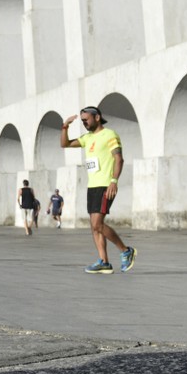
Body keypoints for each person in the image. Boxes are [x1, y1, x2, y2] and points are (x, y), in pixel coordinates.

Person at [62, 105, 137, 274]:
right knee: (94, 226)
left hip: (105, 185)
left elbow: (119, 159)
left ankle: (126, 251)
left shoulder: (109, 135)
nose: (84, 123)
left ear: (97, 117)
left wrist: (113, 181)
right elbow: (65, 143)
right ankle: (104, 261)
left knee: (98, 224)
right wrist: (65, 126)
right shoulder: (87, 138)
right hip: (92, 186)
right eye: (82, 121)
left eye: (86, 120)